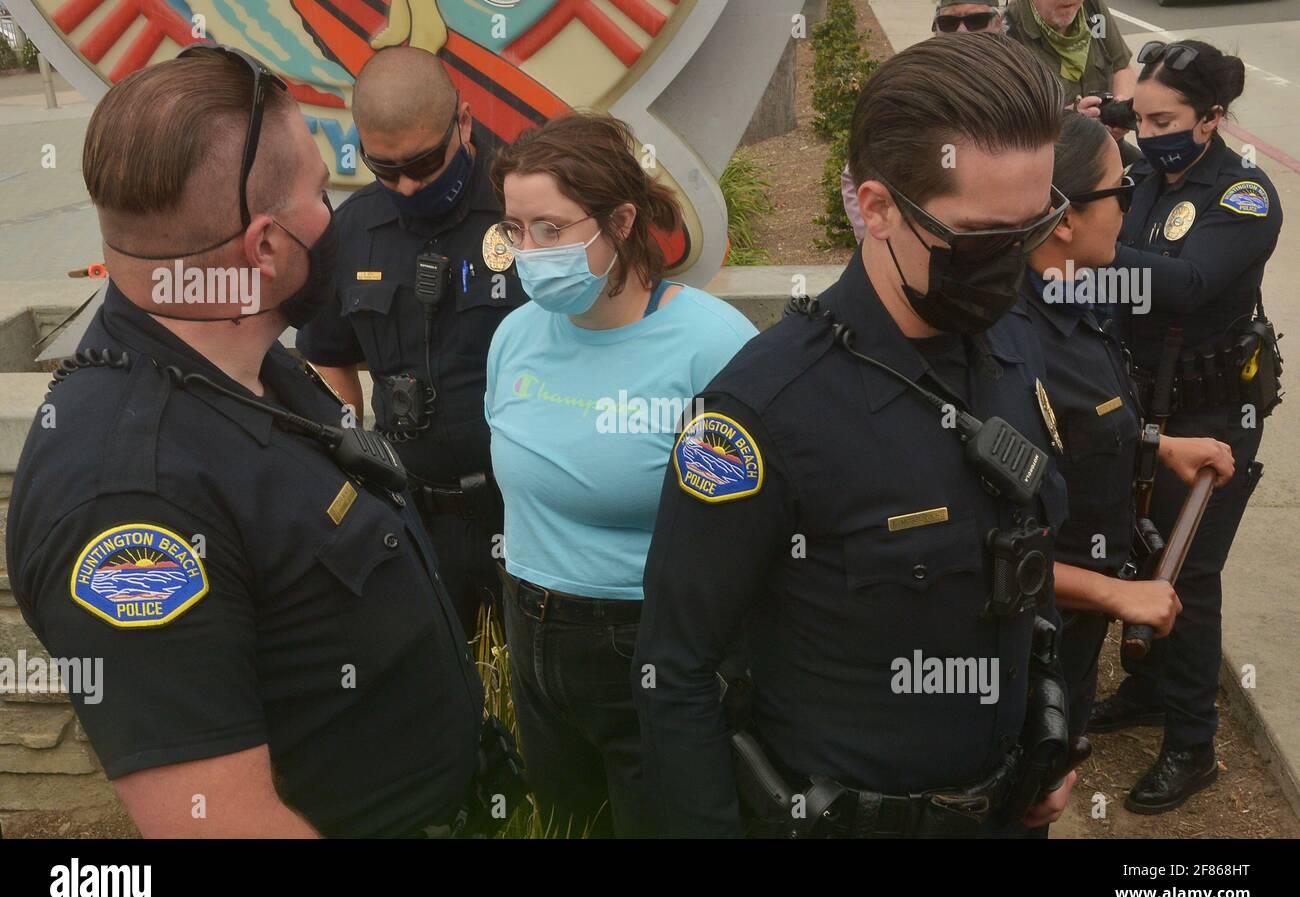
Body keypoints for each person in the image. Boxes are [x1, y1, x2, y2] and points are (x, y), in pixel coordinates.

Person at [5, 47, 483, 837]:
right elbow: (220, 825)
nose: (338, 217)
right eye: (321, 195)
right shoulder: (130, 501)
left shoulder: (251, 363)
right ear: (264, 247)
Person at [635, 33, 1078, 838]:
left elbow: (1026, 572)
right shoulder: (755, 416)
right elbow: (676, 668)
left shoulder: (1012, 342)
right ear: (875, 208)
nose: (1015, 263)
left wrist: (1048, 731)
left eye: (1034, 226)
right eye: (981, 239)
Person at [485, 112, 756, 837]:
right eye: (514, 229)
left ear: (621, 218)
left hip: (647, 646)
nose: (528, 251)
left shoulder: (710, 343)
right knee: (571, 825)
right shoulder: (514, 336)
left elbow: (757, 525)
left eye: (551, 229)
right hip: (532, 630)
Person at [1089, 40, 1283, 814]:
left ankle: (1193, 742)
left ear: (1211, 118)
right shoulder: (1138, 176)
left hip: (1213, 413)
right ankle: (1147, 687)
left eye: (1164, 119)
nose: (1147, 131)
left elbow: (1191, 281)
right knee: (1134, 556)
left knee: (1185, 572)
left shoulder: (1243, 196)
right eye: (1138, 117)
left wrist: (1090, 257)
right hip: (1136, 401)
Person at [296, 46, 527, 640]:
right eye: (385, 168)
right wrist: (347, 458)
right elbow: (326, 354)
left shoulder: (526, 210)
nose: (406, 184)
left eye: (425, 164)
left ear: (465, 122)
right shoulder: (353, 229)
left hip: (527, 513)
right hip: (414, 516)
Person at [1020, 111, 1235, 748]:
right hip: (1031, 638)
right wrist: (1114, 594)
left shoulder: (1070, 296)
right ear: (1064, 218)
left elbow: (1072, 434)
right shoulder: (1011, 346)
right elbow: (978, 543)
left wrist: (1156, 444)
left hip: (1075, 624)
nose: (1130, 205)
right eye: (1122, 190)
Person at [841, 0, 1005, 242]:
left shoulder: (1020, 80)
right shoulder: (909, 86)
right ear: (936, 27)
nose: (962, 31)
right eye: (949, 22)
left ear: (998, 23)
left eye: (975, 21)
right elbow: (855, 175)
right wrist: (880, 249)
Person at [1005, 0, 1137, 154]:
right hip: (1051, 157)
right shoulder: (1008, 30)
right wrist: (1068, 119)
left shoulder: (1091, 7)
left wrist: (1120, 111)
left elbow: (1122, 67)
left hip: (1106, 147)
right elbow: (1007, 122)